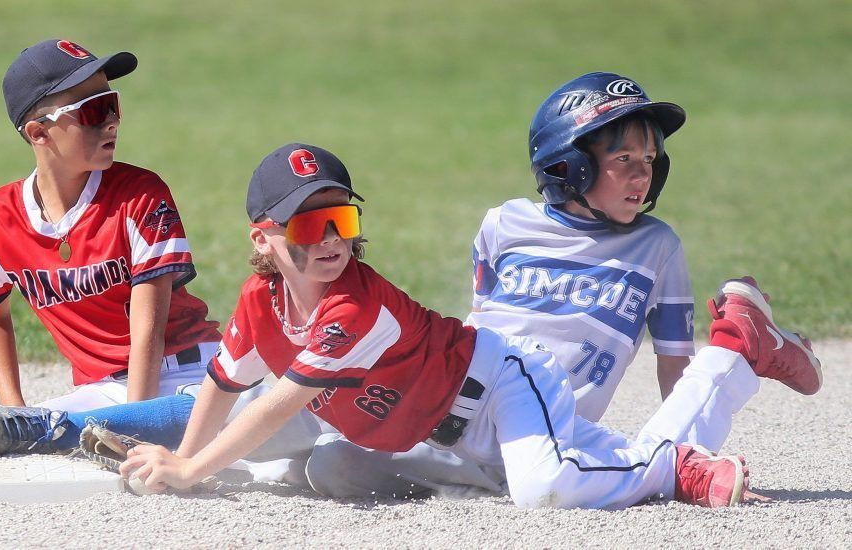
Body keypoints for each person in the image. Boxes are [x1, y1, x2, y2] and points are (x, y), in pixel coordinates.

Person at [114, 142, 822, 509]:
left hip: (504, 386)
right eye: (310, 222)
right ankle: (734, 353)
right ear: (264, 238)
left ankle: (675, 467)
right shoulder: (256, 302)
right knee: (333, 467)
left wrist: (186, 465)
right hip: (435, 431)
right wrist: (193, 463)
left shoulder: (357, 306)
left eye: (343, 219)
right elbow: (223, 381)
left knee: (546, 489)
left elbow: (278, 401)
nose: (331, 237)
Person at [302, 72, 824, 499]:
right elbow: (479, 326)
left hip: (556, 427)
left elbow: (671, 362)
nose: (642, 176)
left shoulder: (656, 246)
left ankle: (737, 350)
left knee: (657, 467)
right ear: (567, 165)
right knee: (333, 463)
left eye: (648, 161)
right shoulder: (503, 225)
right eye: (623, 161)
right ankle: (487, 482)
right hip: (467, 417)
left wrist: (686, 438)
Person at [0, 39, 224, 456]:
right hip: (99, 396)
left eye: (113, 104)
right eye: (94, 112)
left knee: (231, 434)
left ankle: (54, 430)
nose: (112, 122)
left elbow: (148, 333)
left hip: (184, 376)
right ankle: (42, 427)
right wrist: (15, 410)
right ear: (38, 132)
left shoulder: (139, 194)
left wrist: (135, 432)